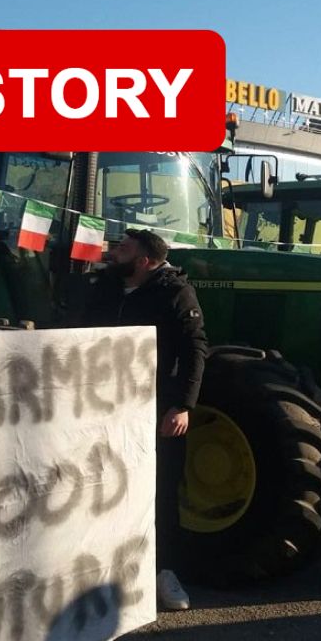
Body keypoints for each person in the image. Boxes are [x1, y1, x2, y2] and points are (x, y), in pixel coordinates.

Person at [75, 229, 208, 610]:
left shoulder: (175, 292)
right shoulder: (103, 287)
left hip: (156, 406)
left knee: (161, 488)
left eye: (124, 249)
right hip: (101, 406)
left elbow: (195, 348)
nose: (114, 253)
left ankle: (164, 573)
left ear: (146, 261)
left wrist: (182, 404)